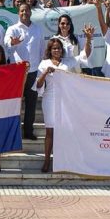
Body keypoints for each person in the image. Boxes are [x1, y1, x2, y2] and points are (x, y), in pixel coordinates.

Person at [35, 38, 86, 173]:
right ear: (50, 51)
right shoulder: (44, 63)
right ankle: (47, 160)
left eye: (58, 48)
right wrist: (46, 72)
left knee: (64, 132)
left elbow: (84, 55)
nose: (56, 50)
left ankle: (62, 160)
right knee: (50, 132)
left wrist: (89, 39)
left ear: (62, 50)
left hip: (66, 100)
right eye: (54, 48)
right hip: (50, 99)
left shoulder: (68, 62)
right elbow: (38, 85)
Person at [5, 3, 44, 140]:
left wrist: (40, 69)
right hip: (17, 72)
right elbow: (6, 45)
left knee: (31, 103)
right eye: (22, 11)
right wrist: (12, 43)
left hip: (33, 71)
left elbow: (41, 50)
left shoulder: (38, 29)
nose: (24, 13)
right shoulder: (12, 29)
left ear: (30, 12)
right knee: (14, 104)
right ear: (18, 13)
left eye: (27, 10)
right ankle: (12, 133)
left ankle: (28, 131)